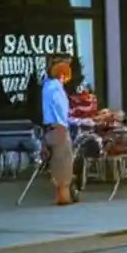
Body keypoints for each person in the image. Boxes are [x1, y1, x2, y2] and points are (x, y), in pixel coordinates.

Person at [41, 60, 76, 206]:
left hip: (49, 128)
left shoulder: (46, 86)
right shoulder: (56, 89)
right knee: (64, 163)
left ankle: (61, 195)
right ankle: (64, 197)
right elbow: (61, 109)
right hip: (59, 128)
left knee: (56, 163)